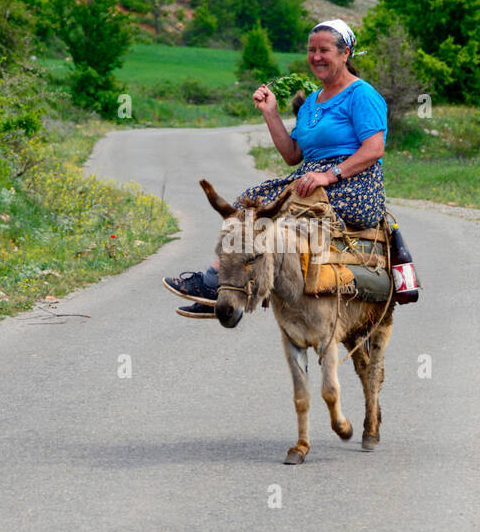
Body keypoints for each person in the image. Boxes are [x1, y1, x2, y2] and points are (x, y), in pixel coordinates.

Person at [164, 18, 388, 317]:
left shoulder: (362, 94)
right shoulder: (312, 101)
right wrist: (270, 112)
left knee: (275, 221)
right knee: (245, 206)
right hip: (310, 179)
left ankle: (224, 288)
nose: (316, 57)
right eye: (311, 50)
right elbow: (293, 154)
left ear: (345, 53)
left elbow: (374, 149)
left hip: (353, 185)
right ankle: (222, 287)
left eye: (324, 50)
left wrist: (327, 174)